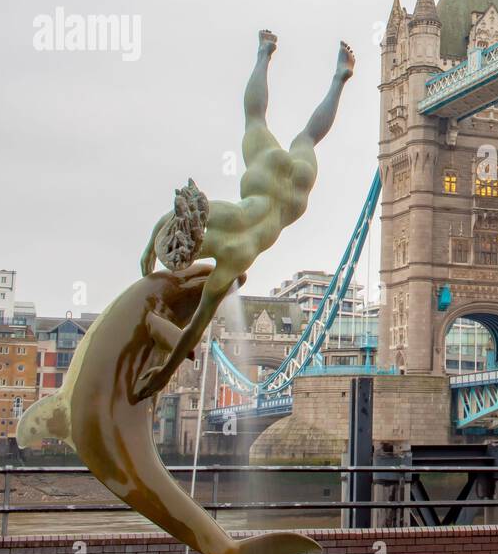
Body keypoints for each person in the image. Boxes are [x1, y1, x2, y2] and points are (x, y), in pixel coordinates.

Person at [133, 29, 354, 398]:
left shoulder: (232, 262)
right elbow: (183, 212)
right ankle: (273, 56)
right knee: (257, 118)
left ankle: (336, 79)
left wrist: (161, 375)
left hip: (293, 198)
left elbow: (192, 332)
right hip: (268, 174)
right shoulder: (217, 215)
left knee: (304, 139)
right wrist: (148, 248)